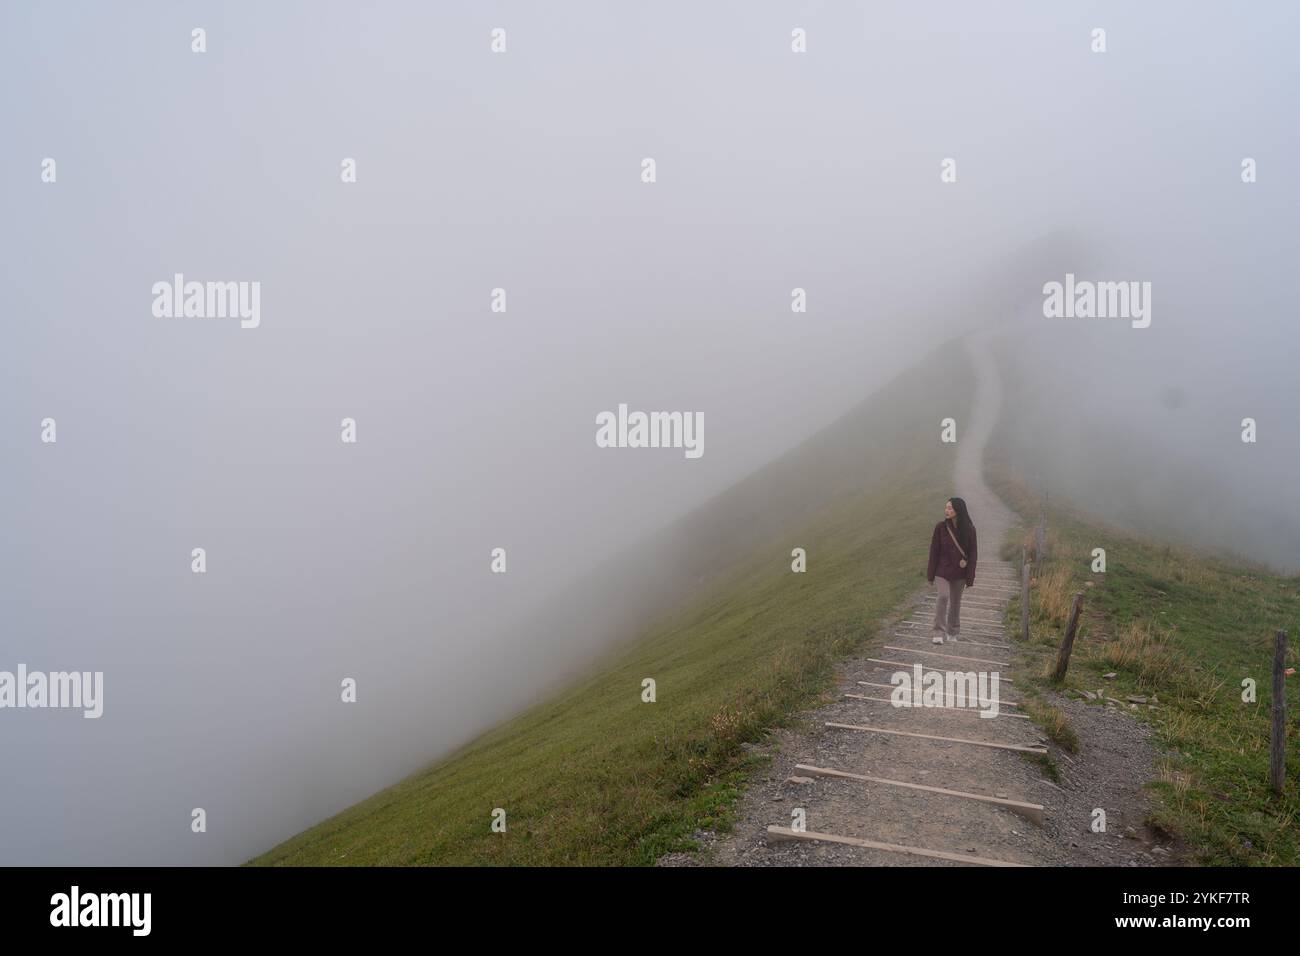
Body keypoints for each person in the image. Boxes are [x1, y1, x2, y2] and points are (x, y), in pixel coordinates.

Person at [926, 497, 977, 644]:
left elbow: (973, 554)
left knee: (956, 602)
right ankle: (938, 631)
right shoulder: (940, 527)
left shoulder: (970, 530)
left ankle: (953, 631)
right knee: (943, 596)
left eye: (950, 508)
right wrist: (930, 575)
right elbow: (934, 552)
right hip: (942, 571)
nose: (946, 510)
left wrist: (970, 577)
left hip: (960, 572)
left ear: (958, 510)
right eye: (946, 507)